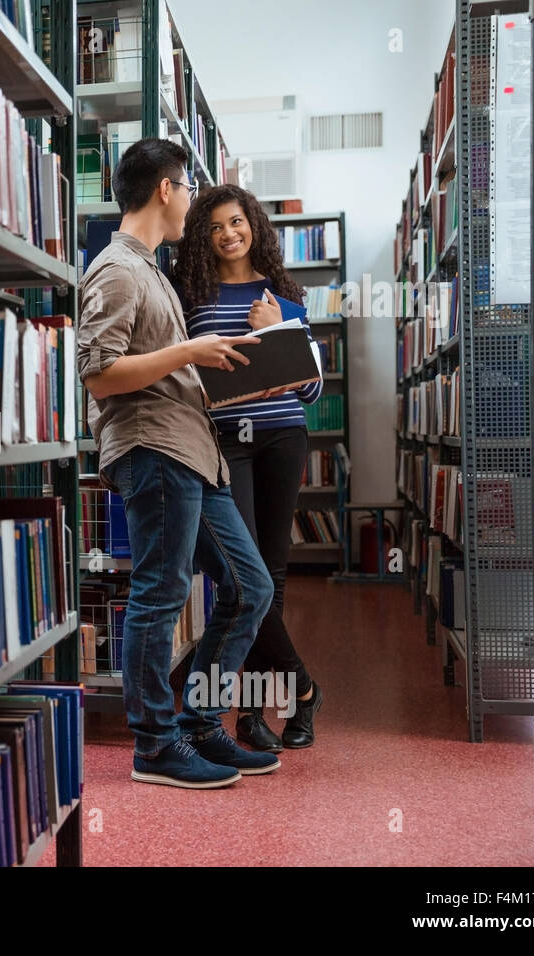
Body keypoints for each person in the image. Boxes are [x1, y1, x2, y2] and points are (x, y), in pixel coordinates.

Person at [77, 139, 279, 789]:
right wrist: (189, 351)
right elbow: (100, 375)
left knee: (251, 588)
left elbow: (154, 364)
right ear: (166, 189)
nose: (194, 199)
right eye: (189, 187)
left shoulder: (151, 269)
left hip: (195, 451)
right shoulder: (116, 270)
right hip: (154, 448)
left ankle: (197, 723)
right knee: (159, 596)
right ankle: (156, 746)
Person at [173, 183, 325, 751]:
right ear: (202, 237)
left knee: (273, 576)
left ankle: (254, 716)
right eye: (214, 227)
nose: (228, 234)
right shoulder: (193, 294)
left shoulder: (284, 294)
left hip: (283, 436)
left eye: (236, 222)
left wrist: (276, 326)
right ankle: (306, 692)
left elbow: (311, 388)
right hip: (226, 442)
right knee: (245, 576)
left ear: (254, 225)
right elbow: (189, 370)